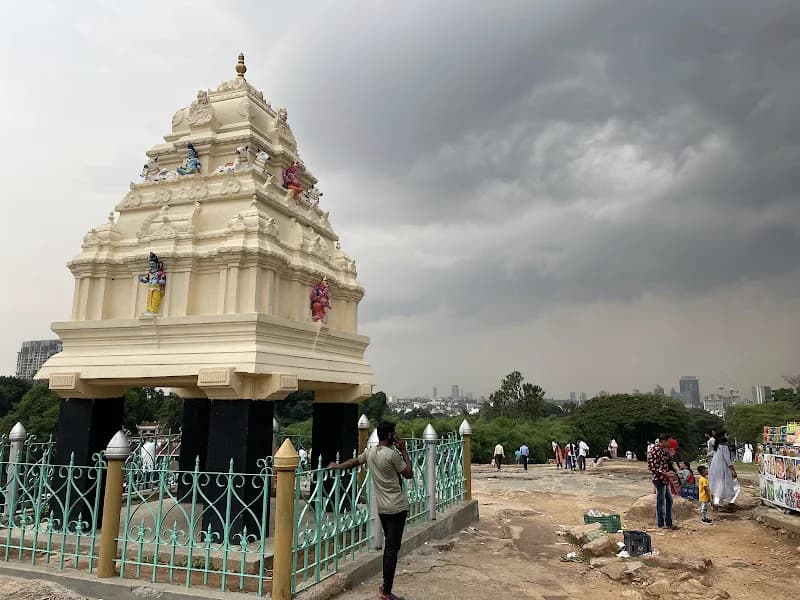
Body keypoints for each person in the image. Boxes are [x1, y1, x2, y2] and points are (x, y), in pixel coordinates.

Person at [328, 421, 413, 600]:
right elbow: (409, 473)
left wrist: (337, 466)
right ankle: (386, 591)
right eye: (394, 433)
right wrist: (403, 449)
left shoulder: (371, 452)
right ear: (390, 436)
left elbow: (354, 462)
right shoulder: (392, 455)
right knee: (391, 550)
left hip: (382, 508)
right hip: (397, 507)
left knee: (389, 548)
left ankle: (385, 587)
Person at [647, 433, 679, 530]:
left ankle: (667, 522)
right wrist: (665, 474)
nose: (669, 444)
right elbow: (652, 467)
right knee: (661, 501)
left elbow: (668, 462)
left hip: (665, 479)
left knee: (668, 500)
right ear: (663, 441)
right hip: (659, 479)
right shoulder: (655, 451)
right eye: (668, 441)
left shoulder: (664, 451)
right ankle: (661, 524)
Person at [708, 433, 738, 510]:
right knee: (724, 486)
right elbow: (727, 460)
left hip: (715, 468)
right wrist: (733, 470)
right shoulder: (724, 447)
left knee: (717, 486)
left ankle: (716, 503)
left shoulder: (717, 446)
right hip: (722, 469)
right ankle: (722, 504)